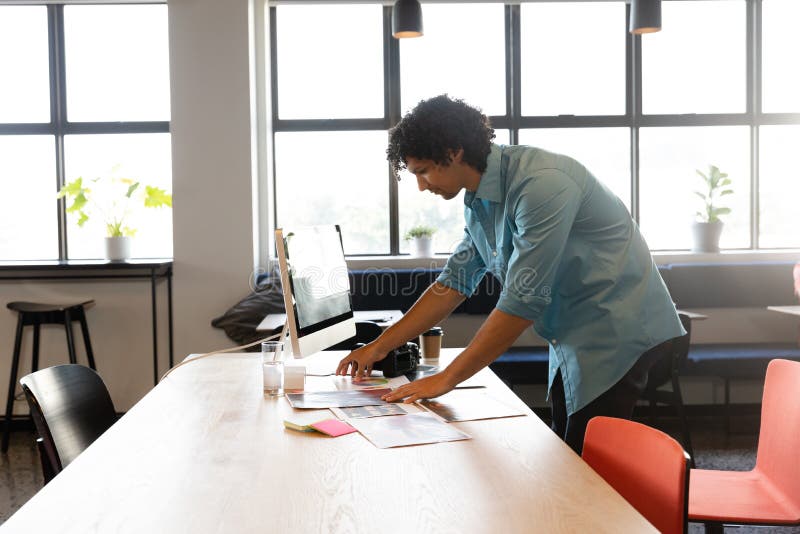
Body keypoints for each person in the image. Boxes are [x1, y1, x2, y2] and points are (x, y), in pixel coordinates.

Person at [336, 94, 685, 454]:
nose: (422, 186)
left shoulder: (542, 184)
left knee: (588, 466)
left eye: (423, 171)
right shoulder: (479, 201)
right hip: (572, 335)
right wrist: (378, 347)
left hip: (619, 329)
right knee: (567, 456)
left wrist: (447, 379)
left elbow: (521, 302)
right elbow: (452, 284)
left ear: (453, 152)